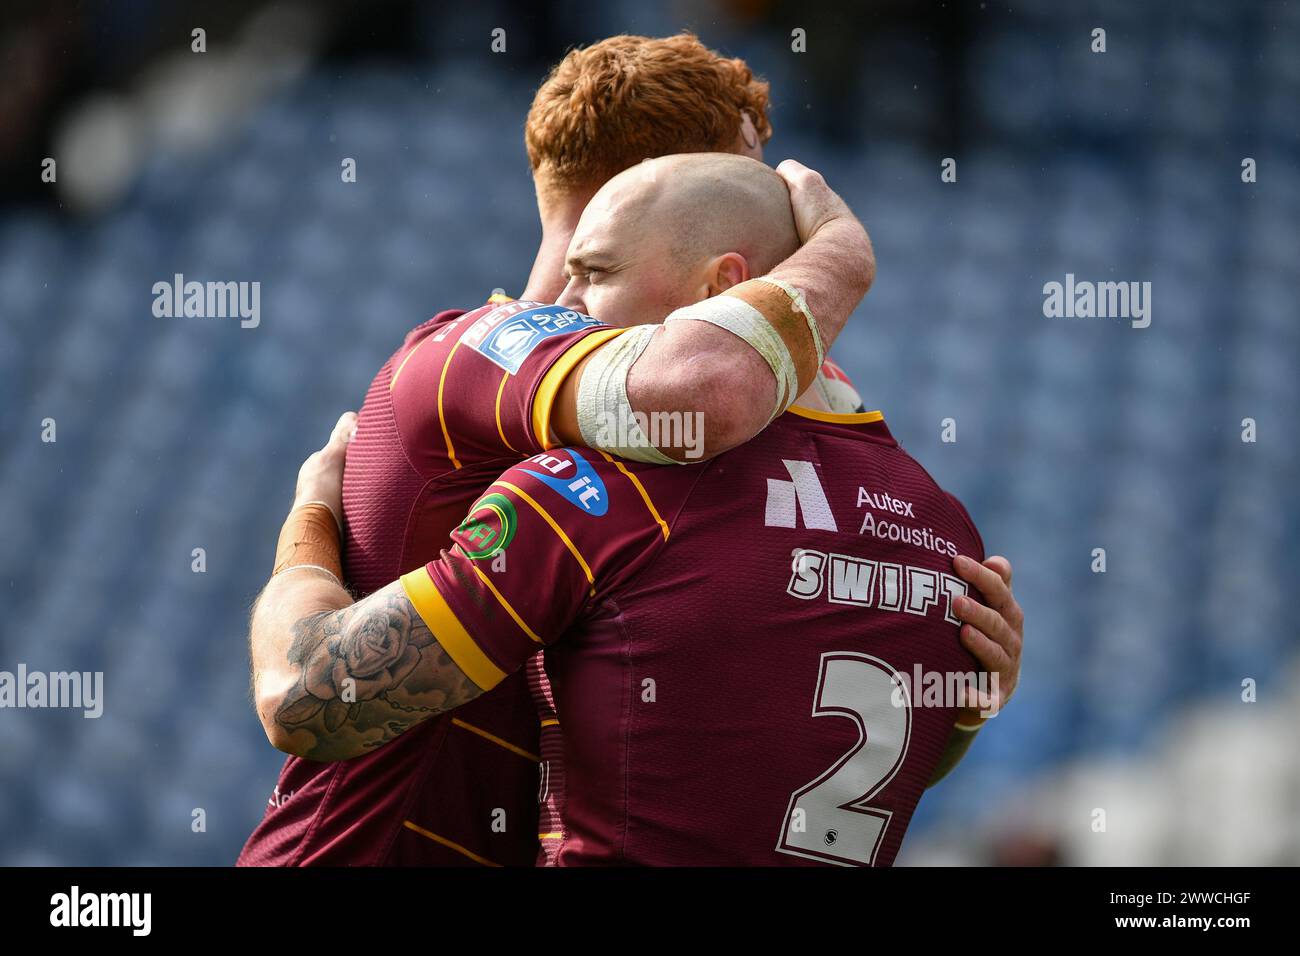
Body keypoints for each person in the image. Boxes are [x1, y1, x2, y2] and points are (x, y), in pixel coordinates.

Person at [250, 154, 1025, 866]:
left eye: (594, 272)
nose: (558, 303)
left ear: (724, 288)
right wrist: (964, 709)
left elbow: (312, 700)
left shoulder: (600, 489)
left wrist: (310, 521)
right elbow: (818, 765)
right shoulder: (940, 531)